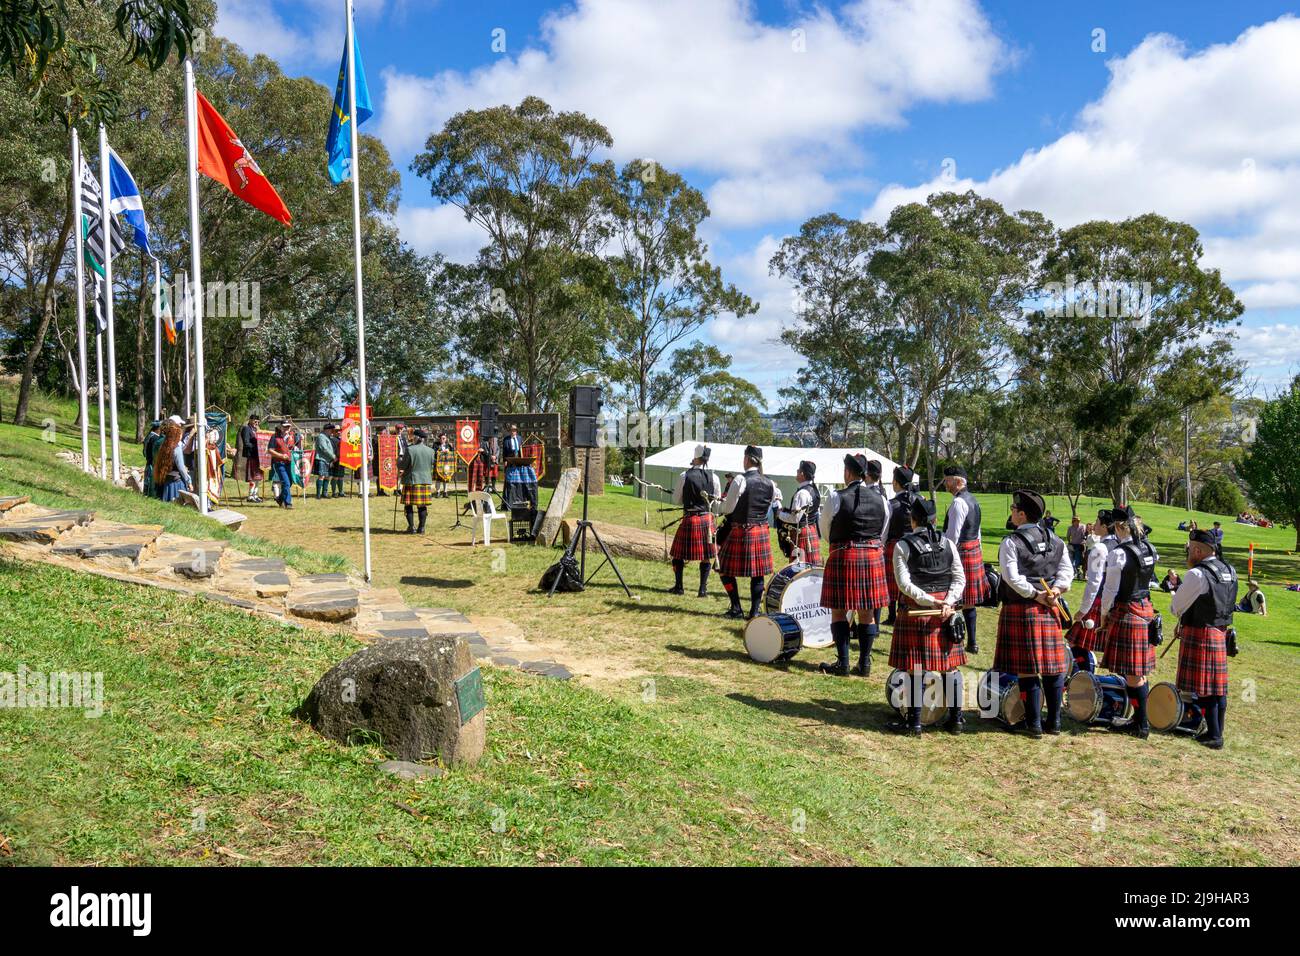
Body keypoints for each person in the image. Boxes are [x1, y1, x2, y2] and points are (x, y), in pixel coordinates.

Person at [994, 489, 1073, 737]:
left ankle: (1034, 724)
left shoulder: (1011, 542)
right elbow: (1067, 572)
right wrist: (1056, 591)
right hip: (1049, 607)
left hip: (1023, 607)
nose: (1011, 513)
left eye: (1013, 510)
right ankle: (1055, 722)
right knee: (1053, 667)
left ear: (1021, 514)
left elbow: (1011, 577)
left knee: (1028, 668)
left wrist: (1037, 594)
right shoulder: (1056, 540)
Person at [888, 497, 966, 735]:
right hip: (945, 610)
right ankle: (956, 721)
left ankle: (914, 724)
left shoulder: (903, 545)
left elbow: (904, 585)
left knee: (916, 668)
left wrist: (933, 601)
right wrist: (948, 601)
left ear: (913, 520)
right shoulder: (949, 543)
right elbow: (959, 578)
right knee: (951, 667)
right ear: (933, 519)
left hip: (919, 609)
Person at [817, 453, 887, 675]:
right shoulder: (882, 500)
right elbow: (882, 532)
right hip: (872, 556)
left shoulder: (836, 497)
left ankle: (843, 663)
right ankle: (865, 663)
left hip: (844, 556)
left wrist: (839, 545)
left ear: (847, 472)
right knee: (867, 613)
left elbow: (825, 530)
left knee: (839, 611)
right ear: (864, 473)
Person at [1169, 529, 1239, 749]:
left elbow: (1176, 607)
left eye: (1190, 548)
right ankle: (1216, 731)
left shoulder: (1197, 574)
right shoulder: (1230, 569)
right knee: (1218, 688)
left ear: (1198, 550)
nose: (1188, 552)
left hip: (1201, 632)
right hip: (1220, 630)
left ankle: (1215, 736)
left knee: (1207, 688)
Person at [1097, 505, 1159, 738]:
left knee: (1134, 674)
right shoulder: (1151, 549)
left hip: (1128, 611)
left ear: (1120, 527)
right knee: (1138, 673)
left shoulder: (1119, 553)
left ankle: (1141, 724)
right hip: (1145, 608)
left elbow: (1110, 589)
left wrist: (1104, 614)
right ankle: (1138, 718)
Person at [717, 444, 782, 620]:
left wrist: (718, 506)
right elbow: (769, 507)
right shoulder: (771, 483)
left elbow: (729, 508)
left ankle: (736, 608)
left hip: (742, 530)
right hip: (761, 531)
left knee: (723, 568)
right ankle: (754, 612)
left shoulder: (740, 479)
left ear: (746, 459)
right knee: (758, 574)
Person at [942, 465, 989, 654]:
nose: (945, 484)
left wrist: (945, 556)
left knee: (952, 597)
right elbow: (977, 532)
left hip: (961, 552)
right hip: (973, 550)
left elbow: (952, 536)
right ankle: (972, 642)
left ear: (958, 481)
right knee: (968, 601)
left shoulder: (958, 503)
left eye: (947, 480)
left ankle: (953, 641)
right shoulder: (974, 500)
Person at [1067, 509, 1117, 674]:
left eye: (1097, 522)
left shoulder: (1099, 549)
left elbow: (1094, 582)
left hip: (1099, 600)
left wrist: (1083, 610)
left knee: (1076, 642)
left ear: (1104, 526)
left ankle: (1079, 679)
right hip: (1116, 603)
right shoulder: (1121, 545)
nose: (1094, 524)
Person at [669, 444, 720, 596]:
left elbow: (676, 500)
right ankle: (702, 590)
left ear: (695, 457)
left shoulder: (685, 476)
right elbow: (716, 502)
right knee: (706, 556)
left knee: (677, 554)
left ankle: (679, 587)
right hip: (707, 519)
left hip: (690, 518)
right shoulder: (714, 477)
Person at [883, 465, 919, 626]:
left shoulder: (891, 504)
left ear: (896, 482)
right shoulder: (920, 500)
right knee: (909, 579)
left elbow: (885, 528)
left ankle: (892, 616)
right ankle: (903, 610)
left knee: (893, 582)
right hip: (915, 544)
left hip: (894, 543)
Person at [775, 460, 821, 565]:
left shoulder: (802, 493)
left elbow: (795, 518)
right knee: (809, 566)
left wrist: (779, 514)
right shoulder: (813, 489)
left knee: (799, 568)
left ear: (802, 474)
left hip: (802, 533)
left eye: (798, 470)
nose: (796, 471)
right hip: (810, 530)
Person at [399, 428, 435, 534]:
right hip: (425, 481)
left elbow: (403, 465)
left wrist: (398, 461)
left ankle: (411, 527)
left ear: (416, 438)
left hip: (411, 480)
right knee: (422, 505)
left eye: (413, 436)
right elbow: (431, 464)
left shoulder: (410, 450)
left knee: (408, 504)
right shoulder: (431, 451)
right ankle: (422, 528)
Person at [501, 423, 538, 514]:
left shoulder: (520, 438)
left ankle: (521, 499)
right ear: (510, 431)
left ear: (516, 431)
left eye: (514, 430)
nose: (513, 432)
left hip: (520, 462)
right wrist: (505, 460)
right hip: (510, 461)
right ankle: (508, 502)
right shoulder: (506, 440)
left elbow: (523, 450)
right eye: (511, 430)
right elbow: (504, 452)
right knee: (509, 482)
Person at [153, 420, 192, 503]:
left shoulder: (164, 446)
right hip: (176, 484)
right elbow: (181, 468)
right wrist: (189, 481)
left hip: (167, 483)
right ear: (176, 434)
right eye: (180, 433)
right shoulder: (176, 448)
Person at [267, 422, 294, 509]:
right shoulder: (275, 437)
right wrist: (281, 456)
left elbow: (294, 448)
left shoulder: (292, 437)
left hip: (289, 464)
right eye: (285, 427)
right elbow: (270, 450)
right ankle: (288, 503)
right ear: (281, 427)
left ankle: (280, 499)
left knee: (289, 483)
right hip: (279, 463)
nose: (287, 428)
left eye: (288, 427)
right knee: (286, 483)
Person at [238, 415, 264, 502]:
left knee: (258, 477)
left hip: (258, 456)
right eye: (255, 421)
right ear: (250, 420)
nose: (256, 423)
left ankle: (255, 495)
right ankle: (250, 496)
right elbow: (246, 443)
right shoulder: (246, 429)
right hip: (252, 455)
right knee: (253, 477)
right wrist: (257, 446)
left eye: (258, 421)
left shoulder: (256, 430)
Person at [313, 424, 338, 499]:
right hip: (322, 458)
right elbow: (324, 448)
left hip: (327, 459)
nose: (332, 432)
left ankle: (324, 493)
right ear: (327, 430)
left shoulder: (327, 437)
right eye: (331, 430)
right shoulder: (321, 437)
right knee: (321, 476)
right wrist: (333, 456)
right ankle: (318, 494)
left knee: (327, 476)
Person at [142, 420, 163, 499]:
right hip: (152, 463)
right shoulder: (155, 438)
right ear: (158, 429)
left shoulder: (149, 436)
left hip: (148, 462)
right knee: (151, 484)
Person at [433, 431, 453, 499]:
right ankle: (438, 492)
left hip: (446, 464)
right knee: (438, 479)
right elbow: (434, 452)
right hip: (438, 464)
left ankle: (445, 492)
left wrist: (450, 450)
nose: (443, 440)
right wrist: (441, 451)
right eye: (442, 438)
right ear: (439, 439)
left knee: (446, 478)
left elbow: (452, 454)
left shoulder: (448, 445)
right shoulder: (435, 444)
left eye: (444, 438)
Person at [329, 423, 347, 498]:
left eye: (340, 431)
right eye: (337, 431)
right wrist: (332, 460)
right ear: (333, 432)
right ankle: (334, 492)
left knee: (341, 476)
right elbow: (331, 450)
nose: (339, 432)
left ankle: (341, 492)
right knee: (335, 476)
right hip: (335, 459)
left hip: (342, 459)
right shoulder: (331, 440)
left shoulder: (341, 439)